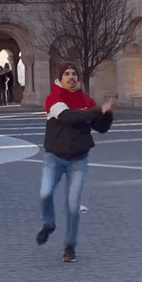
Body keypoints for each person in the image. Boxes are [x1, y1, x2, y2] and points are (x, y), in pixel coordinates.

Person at [36, 63, 115, 263]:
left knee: (73, 205)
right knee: (45, 194)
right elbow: (68, 117)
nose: (71, 77)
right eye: (66, 74)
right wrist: (97, 111)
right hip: (54, 157)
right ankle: (49, 224)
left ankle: (69, 247)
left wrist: (107, 114)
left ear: (78, 79)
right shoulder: (54, 99)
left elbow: (101, 127)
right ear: (60, 78)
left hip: (78, 160)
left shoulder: (87, 102)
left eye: (74, 74)